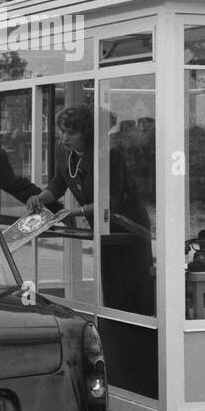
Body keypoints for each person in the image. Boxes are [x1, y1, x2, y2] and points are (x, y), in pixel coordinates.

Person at [28, 104, 155, 316]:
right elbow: (58, 184)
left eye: (71, 133)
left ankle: (137, 332)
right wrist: (38, 199)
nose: (65, 138)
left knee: (132, 284)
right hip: (103, 228)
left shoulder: (108, 155)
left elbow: (108, 201)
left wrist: (73, 213)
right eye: (62, 132)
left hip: (127, 228)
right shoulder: (65, 152)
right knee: (111, 283)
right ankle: (115, 328)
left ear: (86, 134)